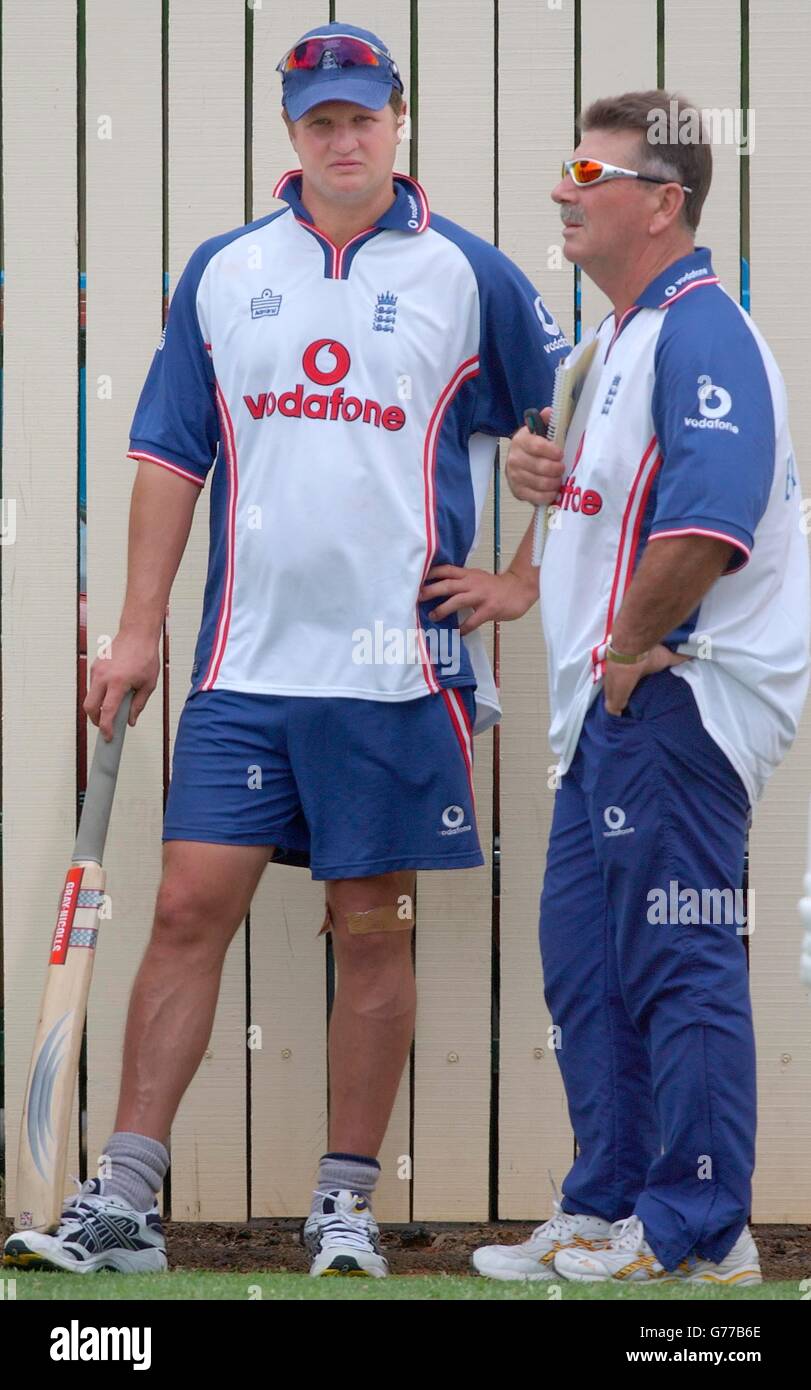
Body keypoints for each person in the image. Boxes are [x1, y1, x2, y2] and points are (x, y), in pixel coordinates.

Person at [4, 22, 567, 1278]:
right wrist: (138, 626)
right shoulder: (224, 270)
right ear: (290, 132)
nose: (344, 137)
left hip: (397, 672)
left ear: (397, 118)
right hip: (243, 668)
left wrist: (523, 579)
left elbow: (572, 427)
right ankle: (128, 1201)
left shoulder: (467, 276)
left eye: (362, 115)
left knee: (373, 925)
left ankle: (346, 1208)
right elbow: (167, 454)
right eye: (320, 119)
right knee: (191, 907)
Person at [472, 90, 810, 1284]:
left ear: (662, 202)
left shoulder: (702, 330)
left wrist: (622, 653)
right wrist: (535, 476)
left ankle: (701, 1232)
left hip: (671, 700)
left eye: (587, 170)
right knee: (588, 964)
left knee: (678, 955)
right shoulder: (612, 340)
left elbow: (708, 527)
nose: (562, 189)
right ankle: (604, 1203)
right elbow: (609, 507)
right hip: (604, 717)